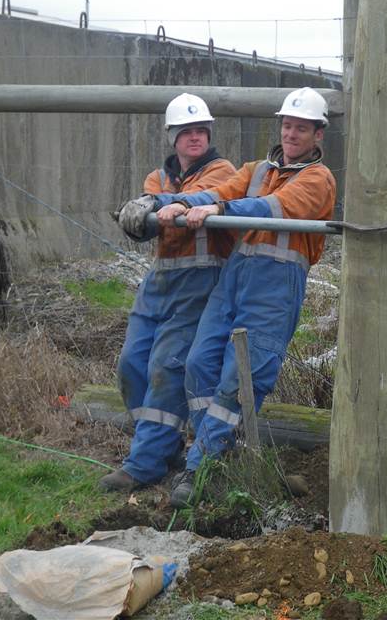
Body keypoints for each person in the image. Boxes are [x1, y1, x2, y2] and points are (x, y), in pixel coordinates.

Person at [152, 86, 337, 508]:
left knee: (242, 380)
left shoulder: (317, 179)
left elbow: (273, 207)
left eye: (301, 128)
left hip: (275, 286)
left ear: (318, 135)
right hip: (236, 276)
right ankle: (219, 455)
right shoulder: (256, 169)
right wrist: (171, 202)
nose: (291, 134)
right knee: (199, 362)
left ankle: (199, 467)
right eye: (287, 125)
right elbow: (217, 194)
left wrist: (220, 213)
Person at [99, 93, 236, 492]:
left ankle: (143, 464)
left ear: (208, 134)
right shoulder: (157, 178)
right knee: (131, 363)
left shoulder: (222, 172)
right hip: (159, 281)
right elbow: (144, 226)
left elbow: (179, 210)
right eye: (186, 132)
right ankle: (165, 445)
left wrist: (156, 211)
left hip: (200, 280)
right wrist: (137, 218)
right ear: (172, 137)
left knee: (166, 365)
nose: (194, 138)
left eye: (201, 131)